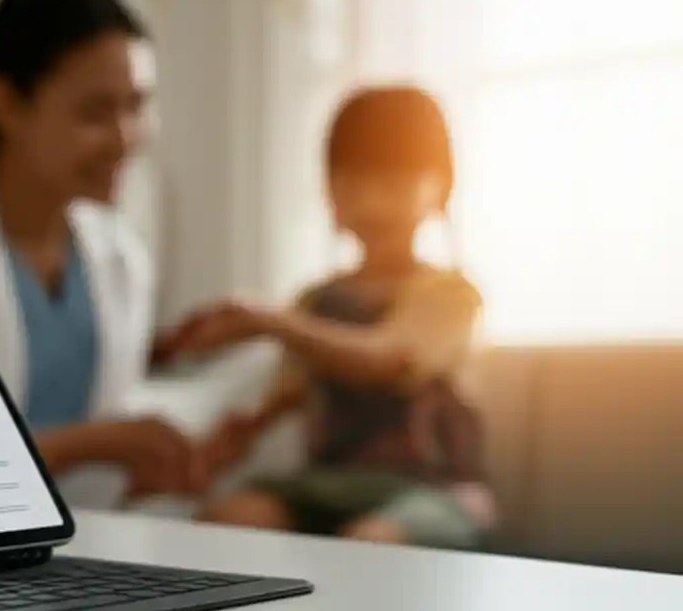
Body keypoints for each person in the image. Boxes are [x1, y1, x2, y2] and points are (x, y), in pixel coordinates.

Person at [0, 0, 202, 500]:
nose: (125, 139)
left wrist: (169, 464)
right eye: (95, 112)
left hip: (80, 558)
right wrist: (91, 443)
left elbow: (97, 489)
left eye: (138, 105)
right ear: (7, 105)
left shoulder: (122, 258)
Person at [159, 87, 495, 547]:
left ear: (440, 187)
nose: (373, 202)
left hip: (433, 490)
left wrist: (271, 321)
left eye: (394, 183)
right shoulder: (317, 300)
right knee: (230, 518)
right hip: (329, 484)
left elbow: (389, 360)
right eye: (354, 182)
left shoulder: (451, 296)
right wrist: (223, 446)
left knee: (371, 541)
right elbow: (283, 399)